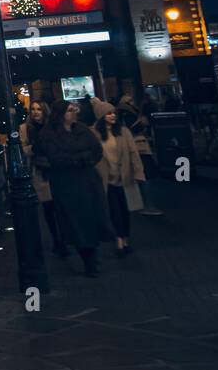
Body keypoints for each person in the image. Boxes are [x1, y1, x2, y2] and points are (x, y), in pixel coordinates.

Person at [39, 100, 114, 277]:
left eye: (74, 109)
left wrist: (80, 158)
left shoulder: (81, 129)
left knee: (92, 216)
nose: (74, 113)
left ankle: (93, 255)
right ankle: (87, 258)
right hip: (66, 183)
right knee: (75, 221)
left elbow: (96, 150)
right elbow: (56, 158)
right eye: (69, 110)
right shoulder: (49, 133)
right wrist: (80, 157)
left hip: (88, 180)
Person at [92, 101, 146, 257]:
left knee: (125, 211)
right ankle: (120, 241)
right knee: (114, 211)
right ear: (101, 116)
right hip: (106, 179)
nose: (113, 115)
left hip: (124, 177)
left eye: (114, 113)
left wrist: (139, 173)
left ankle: (125, 239)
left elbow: (133, 153)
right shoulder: (95, 134)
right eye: (109, 113)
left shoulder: (123, 131)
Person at [19, 99, 65, 256]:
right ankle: (57, 240)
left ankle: (64, 237)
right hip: (40, 170)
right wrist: (34, 148)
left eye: (39, 109)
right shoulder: (26, 128)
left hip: (56, 169)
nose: (35, 112)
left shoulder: (53, 126)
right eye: (33, 109)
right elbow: (23, 149)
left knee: (60, 207)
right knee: (48, 207)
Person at [116, 93, 163, 216]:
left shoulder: (122, 113)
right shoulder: (129, 113)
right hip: (139, 146)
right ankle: (148, 205)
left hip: (135, 146)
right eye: (131, 100)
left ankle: (139, 204)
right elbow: (133, 129)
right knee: (144, 175)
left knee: (140, 175)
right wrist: (141, 124)